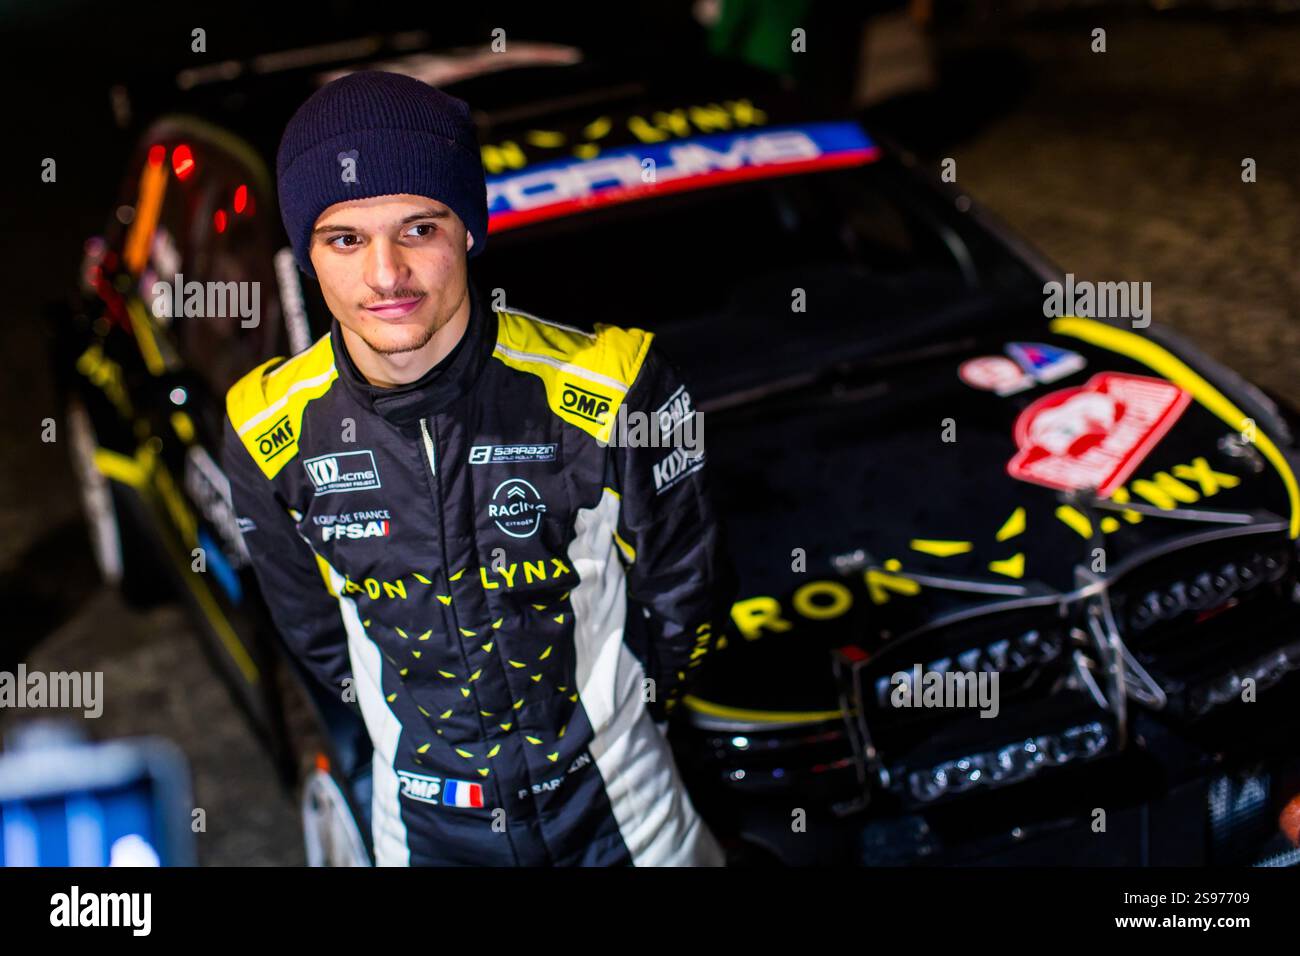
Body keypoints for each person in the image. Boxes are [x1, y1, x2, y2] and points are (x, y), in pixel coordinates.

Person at [221, 70, 730, 866]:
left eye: (419, 228)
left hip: (623, 808)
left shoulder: (616, 382)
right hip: (422, 829)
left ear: (469, 232)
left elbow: (686, 600)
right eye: (345, 239)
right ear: (307, 256)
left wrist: (623, 724)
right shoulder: (265, 430)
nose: (386, 275)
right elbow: (315, 638)